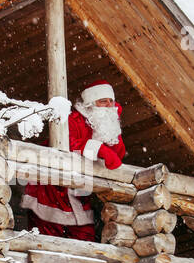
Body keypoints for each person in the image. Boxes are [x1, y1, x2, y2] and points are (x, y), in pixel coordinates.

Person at [20, 80, 127, 240]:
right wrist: (98, 148)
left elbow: (117, 155)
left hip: (79, 195)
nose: (109, 105)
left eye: (111, 101)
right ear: (91, 104)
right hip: (50, 191)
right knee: (47, 242)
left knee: (85, 242)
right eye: (103, 101)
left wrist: (112, 128)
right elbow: (66, 142)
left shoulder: (103, 124)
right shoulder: (73, 119)